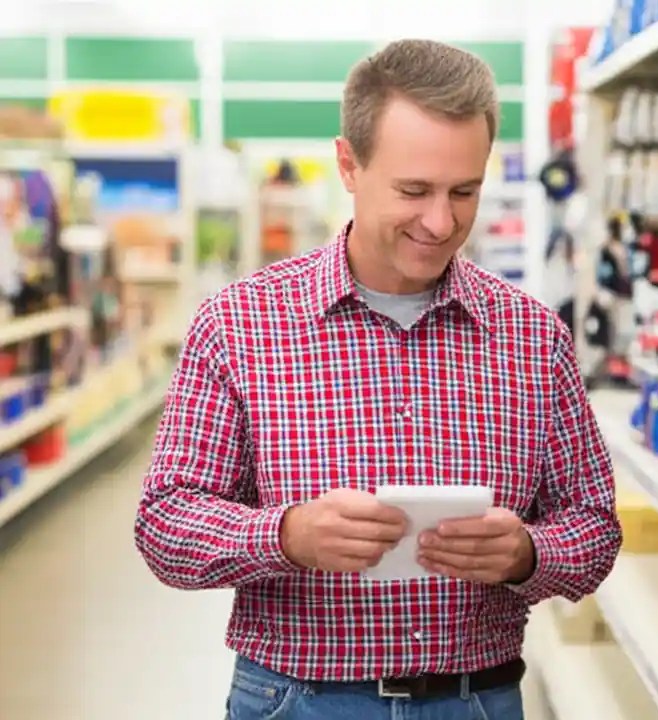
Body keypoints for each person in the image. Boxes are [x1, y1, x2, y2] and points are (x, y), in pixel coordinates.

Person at [134, 39, 622, 720]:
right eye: (414, 190)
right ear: (349, 165)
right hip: (296, 702)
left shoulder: (534, 338)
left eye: (465, 192)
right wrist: (285, 536)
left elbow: (595, 528)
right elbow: (166, 525)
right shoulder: (240, 324)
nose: (441, 221)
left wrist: (527, 552)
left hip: (475, 701)